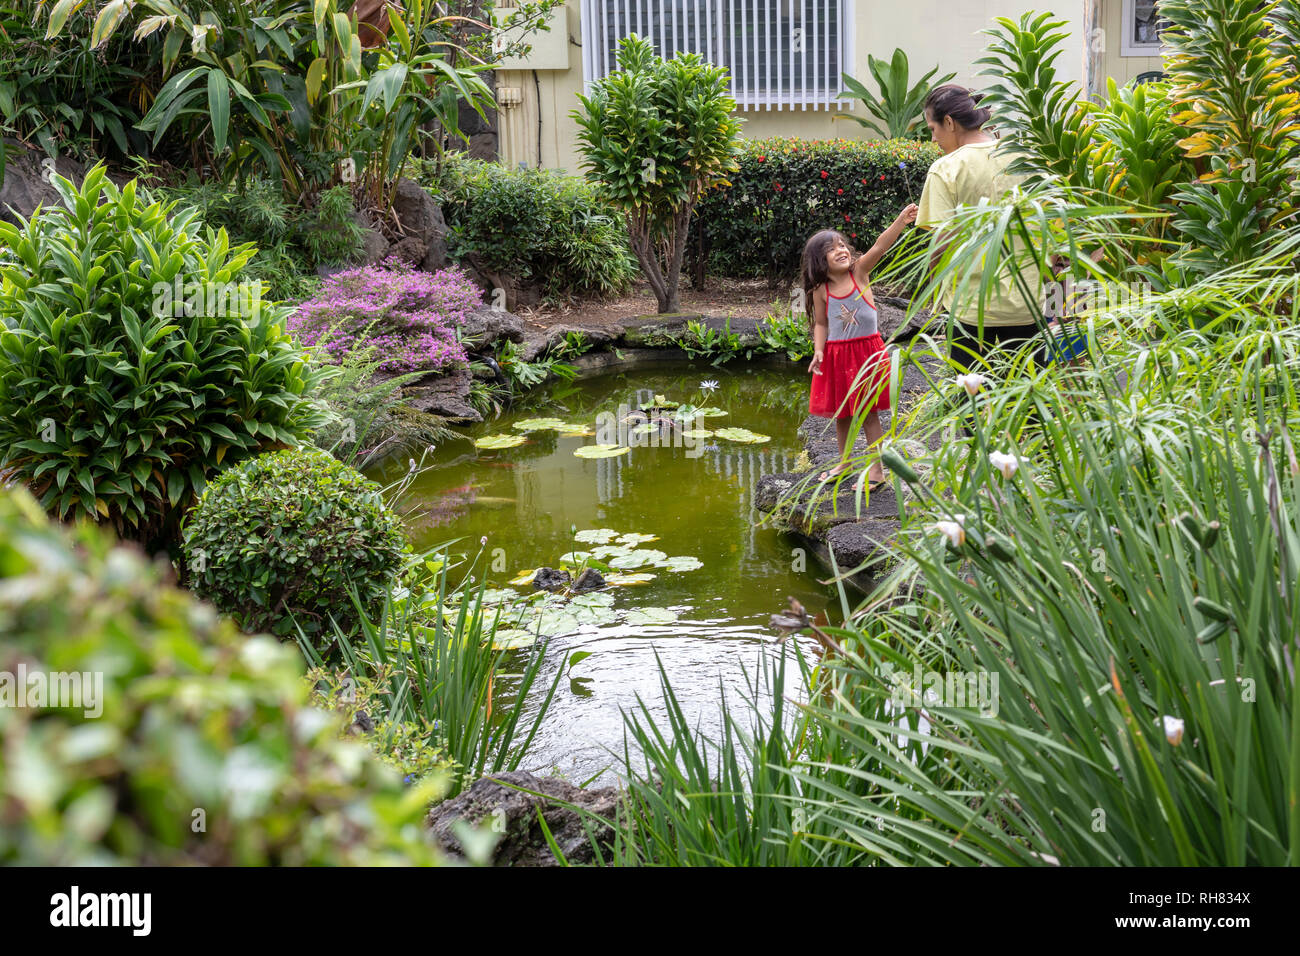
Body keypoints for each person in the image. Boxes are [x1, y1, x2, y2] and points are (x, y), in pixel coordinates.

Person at [915, 84, 1047, 369]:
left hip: (970, 311)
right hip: (1029, 303)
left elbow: (943, 240)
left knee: (970, 400)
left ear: (949, 122)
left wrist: (934, 292)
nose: (933, 138)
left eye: (933, 129)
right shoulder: (1024, 157)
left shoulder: (947, 168)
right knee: (1029, 406)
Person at [804, 204, 918, 486]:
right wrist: (818, 350)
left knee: (868, 415)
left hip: (867, 354)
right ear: (819, 260)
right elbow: (821, 324)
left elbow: (879, 246)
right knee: (842, 414)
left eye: (843, 245)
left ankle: (878, 470)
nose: (842, 250)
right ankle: (844, 463)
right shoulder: (820, 290)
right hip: (836, 356)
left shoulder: (859, 273)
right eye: (833, 249)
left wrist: (901, 220)